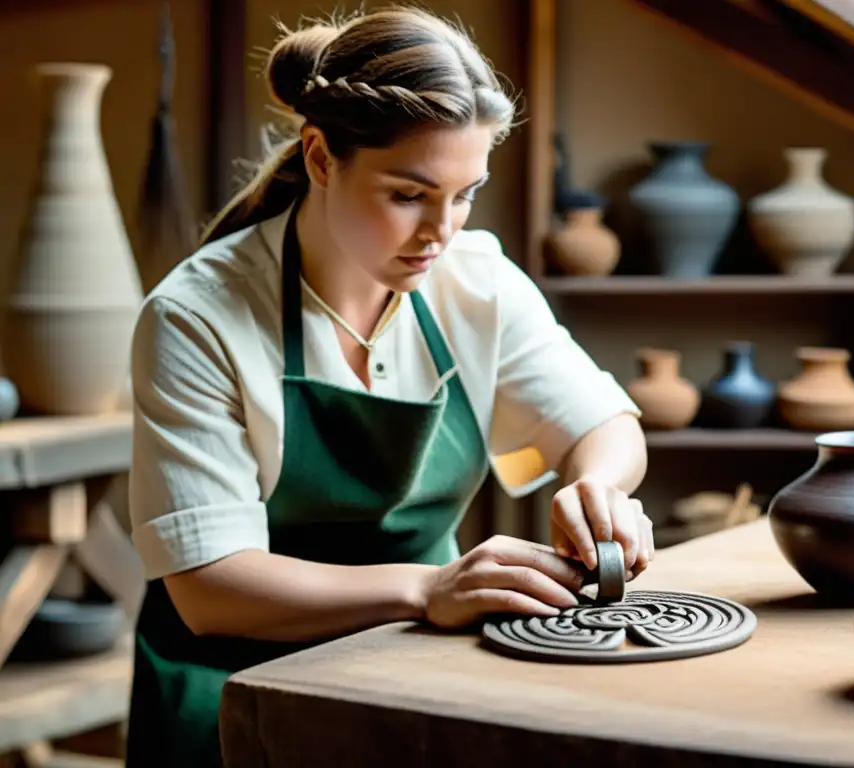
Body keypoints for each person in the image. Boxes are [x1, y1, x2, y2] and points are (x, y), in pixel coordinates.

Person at [124, 6, 651, 767]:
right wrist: (427, 589)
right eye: (409, 195)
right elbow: (210, 589)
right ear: (320, 158)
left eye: (465, 193)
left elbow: (605, 423)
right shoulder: (197, 316)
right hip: (230, 684)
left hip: (413, 667)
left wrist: (599, 487)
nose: (442, 230)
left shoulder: (477, 282)